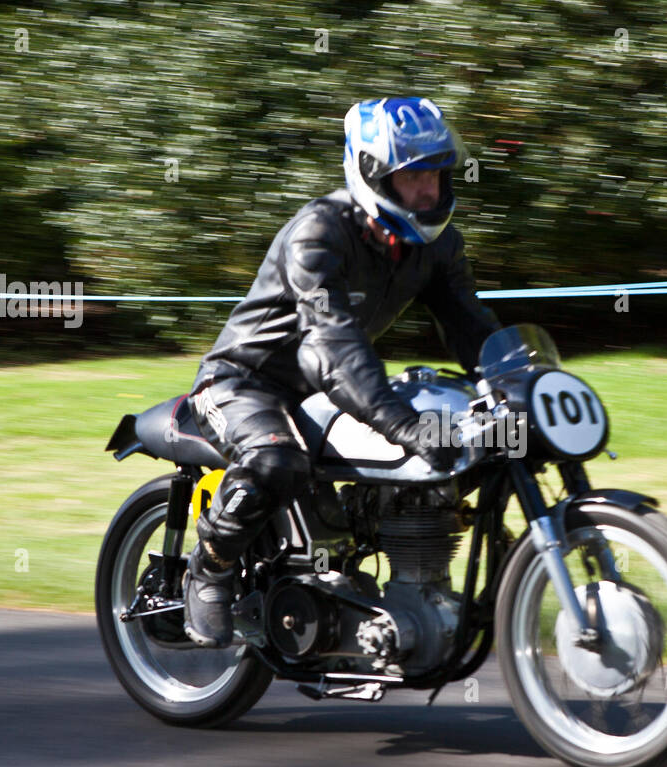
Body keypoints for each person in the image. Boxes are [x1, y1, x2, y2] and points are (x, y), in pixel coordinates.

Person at [182, 96, 501, 648]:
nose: (429, 189)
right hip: (243, 381)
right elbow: (333, 347)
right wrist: (403, 424)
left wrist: (517, 382)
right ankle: (207, 569)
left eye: (437, 173)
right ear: (374, 176)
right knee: (275, 459)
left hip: (321, 390)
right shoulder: (319, 232)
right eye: (413, 176)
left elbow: (471, 327)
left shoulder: (436, 246)